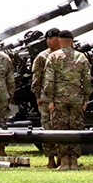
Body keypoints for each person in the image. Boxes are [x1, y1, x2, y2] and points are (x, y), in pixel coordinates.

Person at [43, 30, 93, 171]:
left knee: (60, 130)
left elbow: (49, 80)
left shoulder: (53, 57)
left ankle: (64, 162)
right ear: (72, 41)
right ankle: (75, 163)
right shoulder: (81, 57)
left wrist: (50, 100)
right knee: (76, 129)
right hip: (76, 99)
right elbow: (87, 80)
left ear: (59, 41)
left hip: (59, 100)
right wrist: (86, 99)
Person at [32, 28, 63, 168]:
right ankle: (51, 159)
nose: (49, 41)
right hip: (46, 98)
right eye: (48, 39)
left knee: (63, 128)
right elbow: (36, 78)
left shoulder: (67, 54)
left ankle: (63, 159)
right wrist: (38, 95)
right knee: (47, 128)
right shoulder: (42, 56)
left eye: (52, 38)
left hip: (63, 97)